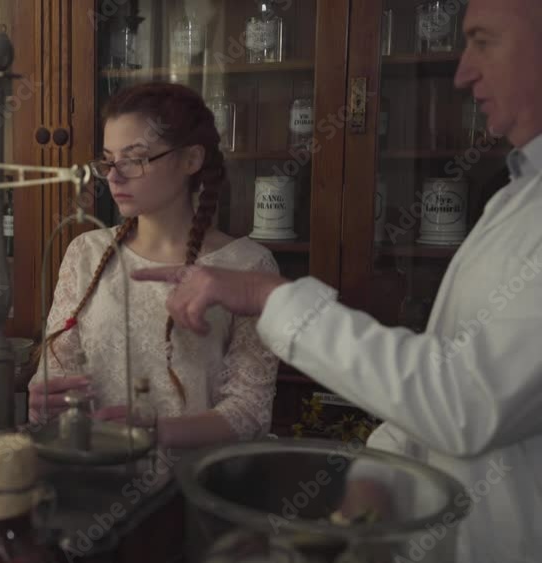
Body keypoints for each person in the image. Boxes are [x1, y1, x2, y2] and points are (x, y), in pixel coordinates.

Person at [132, 1, 542, 560]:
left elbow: (465, 405)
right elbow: (439, 376)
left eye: (484, 41)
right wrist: (379, 474)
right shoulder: (519, 194)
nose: (462, 70)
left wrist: (263, 296)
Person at [28, 82, 280, 448]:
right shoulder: (86, 252)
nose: (114, 176)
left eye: (135, 159)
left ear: (191, 159)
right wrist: (43, 402)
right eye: (109, 161)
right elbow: (56, 375)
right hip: (92, 474)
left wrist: (152, 434)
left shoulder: (247, 267)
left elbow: (249, 412)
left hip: (191, 486)